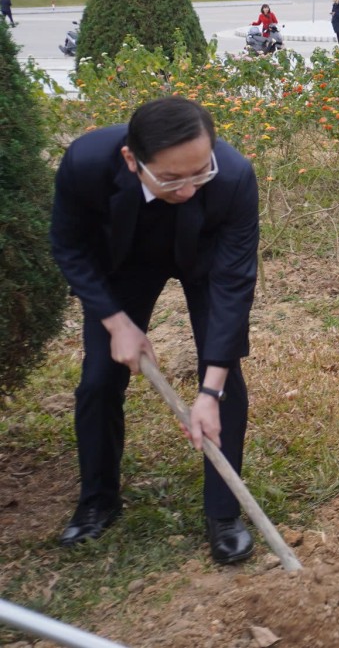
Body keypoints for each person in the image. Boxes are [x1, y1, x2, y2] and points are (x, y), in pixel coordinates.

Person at [49, 97, 259, 564]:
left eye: (199, 173)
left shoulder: (234, 176)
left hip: (204, 260)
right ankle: (98, 500)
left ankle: (224, 514)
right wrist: (115, 320)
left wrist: (210, 389)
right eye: (170, 178)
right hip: (124, 264)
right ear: (131, 159)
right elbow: (69, 247)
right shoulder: (86, 164)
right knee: (99, 379)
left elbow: (233, 285)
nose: (187, 189)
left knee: (226, 386)